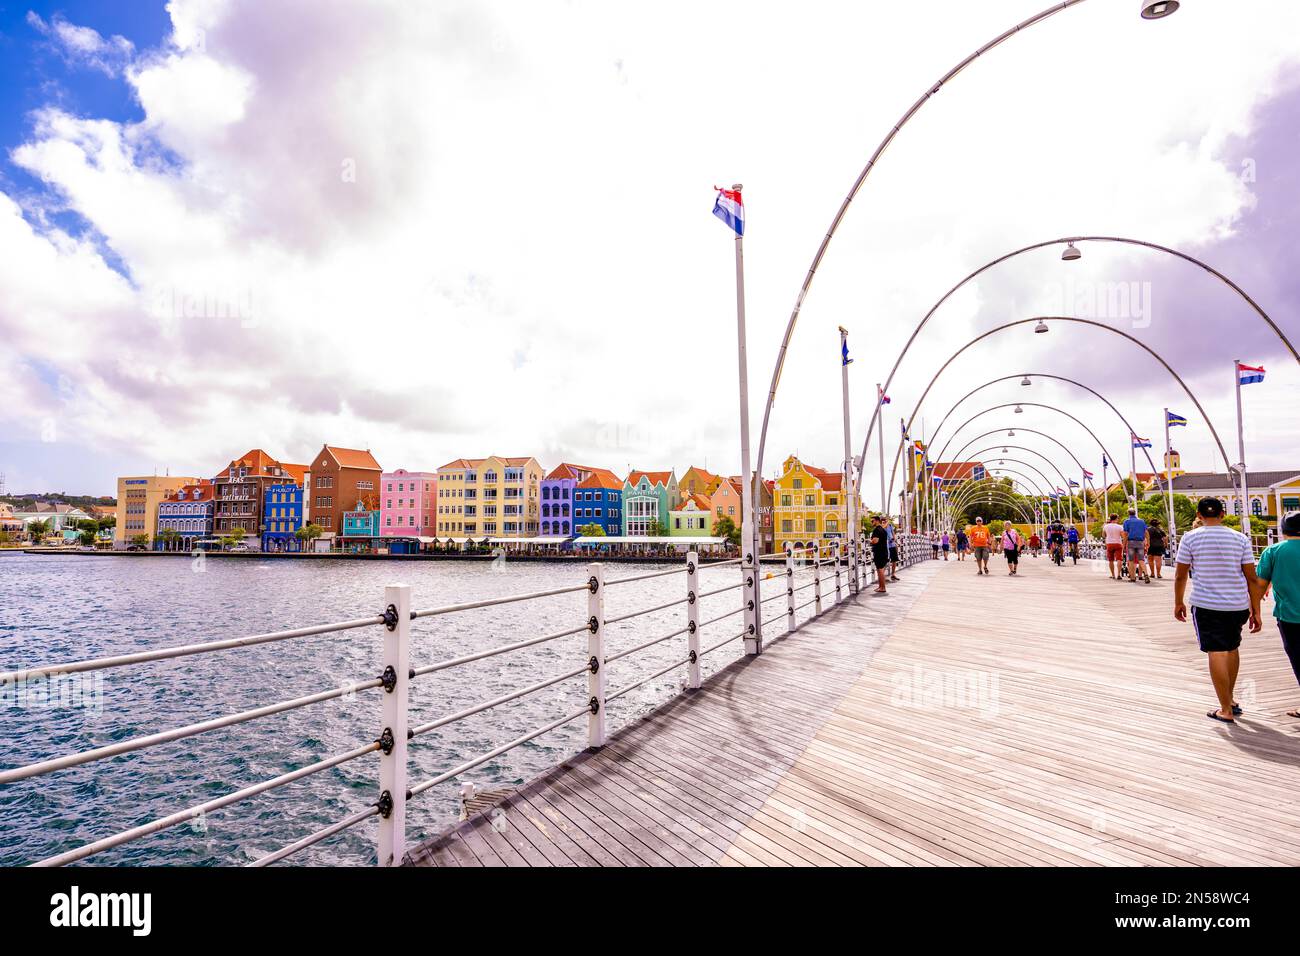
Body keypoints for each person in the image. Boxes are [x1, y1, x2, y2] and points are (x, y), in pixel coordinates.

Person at [1174, 497, 1262, 723]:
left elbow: (1181, 574)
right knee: (1231, 648)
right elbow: (1252, 578)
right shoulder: (1240, 538)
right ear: (1222, 514)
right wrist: (1256, 609)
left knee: (1216, 652)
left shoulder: (1190, 538)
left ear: (1199, 515)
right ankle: (1230, 699)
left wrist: (1178, 602)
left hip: (1207, 605)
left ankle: (1225, 709)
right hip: (1237, 605)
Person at [1255, 512, 1300, 719]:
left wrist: (1254, 611)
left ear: (1283, 530)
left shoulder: (1273, 551)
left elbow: (1259, 585)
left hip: (1290, 616)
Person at [1122, 509, 1150, 583]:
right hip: (1140, 542)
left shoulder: (1126, 521)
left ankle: (1132, 577)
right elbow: (1146, 532)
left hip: (1131, 542)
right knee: (1141, 559)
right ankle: (1146, 574)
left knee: (1131, 560)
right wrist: (1148, 542)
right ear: (1135, 513)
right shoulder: (1142, 521)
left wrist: (1124, 545)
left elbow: (1125, 534)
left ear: (1128, 513)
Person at [869, 515, 890, 594]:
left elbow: (875, 541)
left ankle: (883, 587)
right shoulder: (883, 529)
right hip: (883, 551)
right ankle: (880, 586)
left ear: (877, 521)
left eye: (872, 521)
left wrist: (869, 541)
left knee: (880, 570)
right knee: (879, 569)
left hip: (879, 552)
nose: (872, 523)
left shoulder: (877, 530)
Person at [1103, 514, 1125, 579]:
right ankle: (1118, 574)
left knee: (1111, 560)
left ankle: (1113, 575)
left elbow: (1103, 535)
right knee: (1119, 559)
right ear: (1116, 519)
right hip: (1118, 543)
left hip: (1109, 543)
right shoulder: (1120, 527)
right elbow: (1123, 536)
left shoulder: (1106, 526)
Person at [885, 517, 899, 581]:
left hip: (892, 545)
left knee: (894, 560)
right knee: (885, 561)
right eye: (883, 520)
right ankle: (883, 576)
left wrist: (894, 539)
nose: (885, 521)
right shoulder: (882, 526)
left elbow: (893, 534)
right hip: (886, 546)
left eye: (886, 519)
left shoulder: (890, 526)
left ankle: (893, 574)